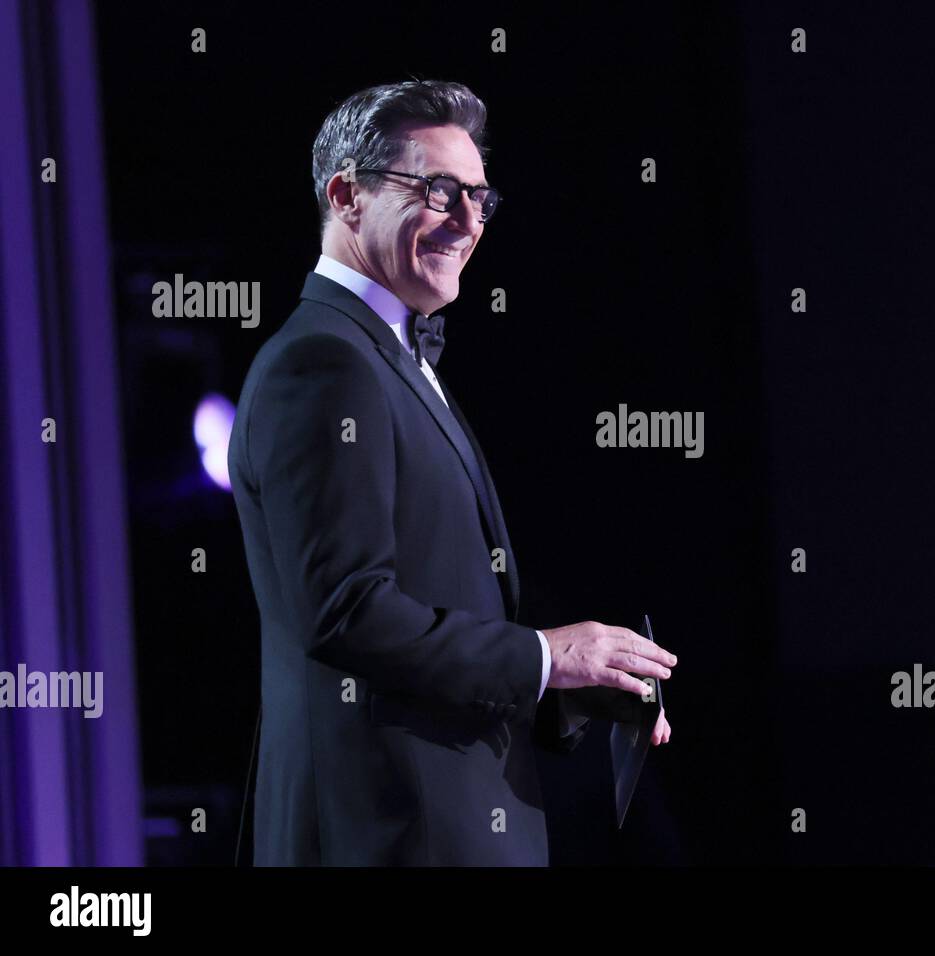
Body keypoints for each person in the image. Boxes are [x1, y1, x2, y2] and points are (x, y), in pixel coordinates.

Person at [227, 79, 674, 865]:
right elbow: (345, 611)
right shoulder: (325, 364)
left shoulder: (385, 354)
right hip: (391, 836)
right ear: (346, 195)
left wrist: (564, 684)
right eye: (439, 192)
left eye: (479, 197)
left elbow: (430, 605)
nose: (470, 222)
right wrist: (543, 655)